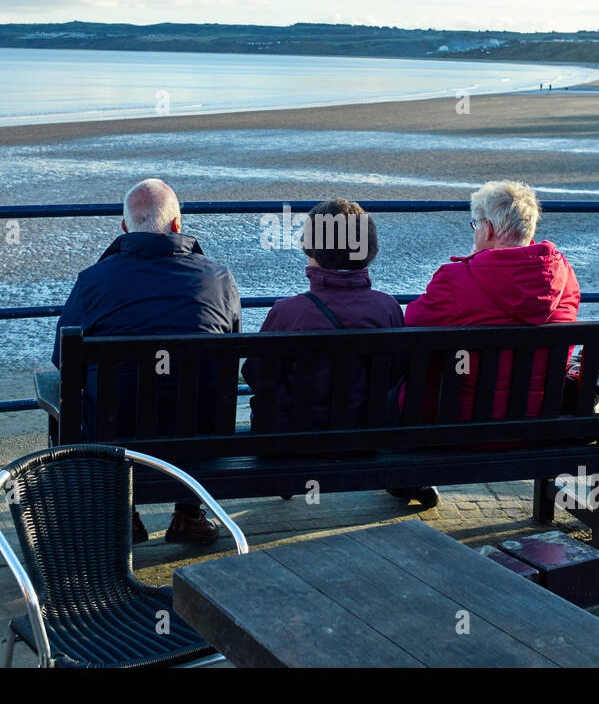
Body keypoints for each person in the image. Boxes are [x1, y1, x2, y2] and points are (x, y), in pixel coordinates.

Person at [52, 178, 241, 546]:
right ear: (176, 225)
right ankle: (188, 515)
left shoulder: (92, 282)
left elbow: (64, 363)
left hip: (115, 442)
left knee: (97, 398)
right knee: (198, 392)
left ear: (124, 227)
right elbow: (230, 355)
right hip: (201, 441)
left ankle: (124, 515)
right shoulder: (219, 279)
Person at [398, 180, 581, 505]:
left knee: (394, 390)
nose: (473, 231)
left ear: (490, 228)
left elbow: (408, 329)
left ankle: (409, 478)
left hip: (462, 428)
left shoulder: (456, 280)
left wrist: (472, 263)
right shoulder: (564, 278)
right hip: (538, 425)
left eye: (475, 223)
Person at [242, 198, 403, 432]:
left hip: (287, 442)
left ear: (311, 248)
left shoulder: (288, 313)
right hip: (364, 437)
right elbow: (393, 374)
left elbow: (257, 376)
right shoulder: (388, 308)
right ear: (369, 249)